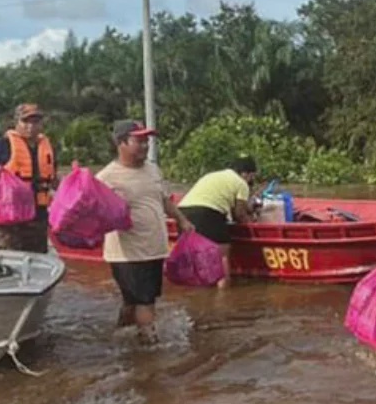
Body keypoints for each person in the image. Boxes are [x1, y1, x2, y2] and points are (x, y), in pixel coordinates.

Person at [96, 120, 194, 346]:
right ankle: (151, 347)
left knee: (133, 301)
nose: (145, 145)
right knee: (145, 300)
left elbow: (162, 200)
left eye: (146, 140)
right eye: (138, 140)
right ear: (121, 143)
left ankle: (120, 338)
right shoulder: (106, 177)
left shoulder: (152, 169)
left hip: (154, 249)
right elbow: (95, 213)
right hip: (128, 252)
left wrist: (181, 219)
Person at [0, 103, 57, 253]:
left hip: (38, 217)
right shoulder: (2, 145)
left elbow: (53, 178)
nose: (31, 126)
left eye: (35, 122)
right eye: (26, 121)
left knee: (38, 263)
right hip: (9, 218)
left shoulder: (46, 148)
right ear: (16, 122)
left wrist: (71, 188)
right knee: (11, 261)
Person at [177, 156, 258, 287]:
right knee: (222, 254)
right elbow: (239, 214)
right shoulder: (241, 183)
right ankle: (223, 292)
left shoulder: (213, 175)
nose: (251, 181)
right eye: (252, 177)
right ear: (245, 173)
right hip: (206, 213)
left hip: (183, 213)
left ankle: (198, 298)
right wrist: (253, 221)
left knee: (197, 257)